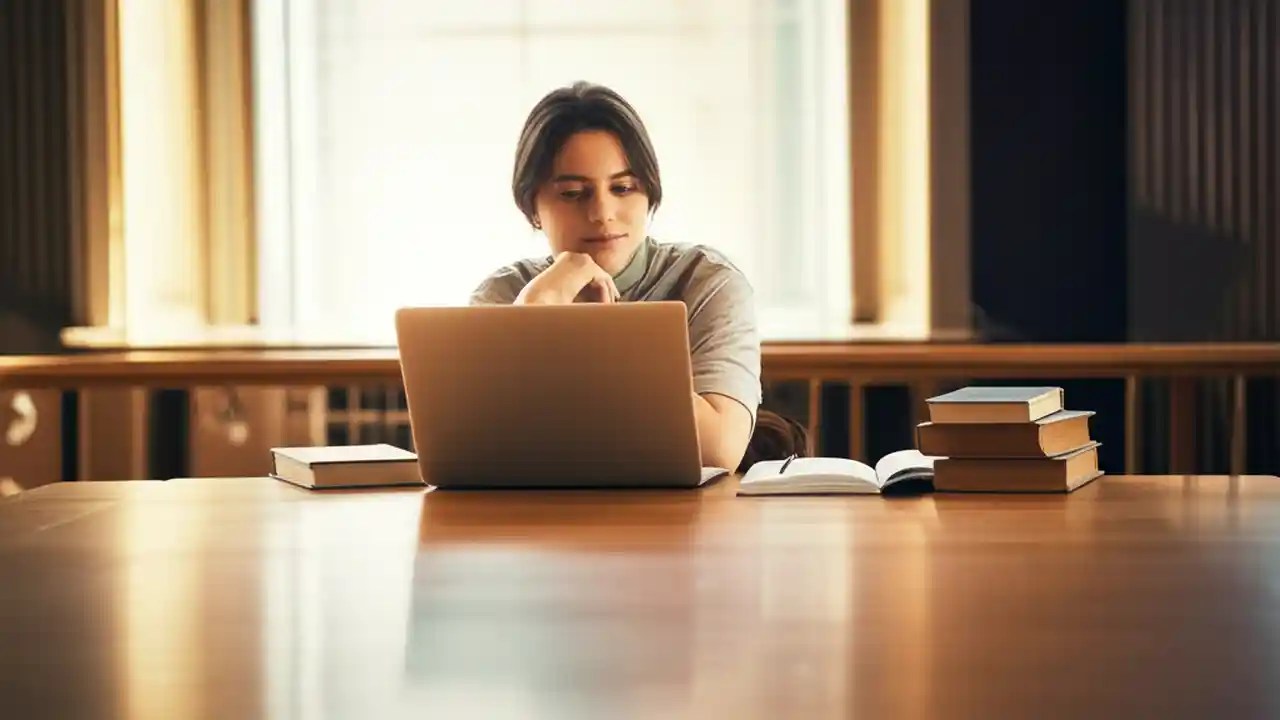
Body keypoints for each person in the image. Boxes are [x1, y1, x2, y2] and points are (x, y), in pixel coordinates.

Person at [470, 81, 808, 472]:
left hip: (685, 524)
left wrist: (602, 333)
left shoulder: (707, 283)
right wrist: (535, 309)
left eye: (623, 187)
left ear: (649, 193)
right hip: (538, 522)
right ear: (532, 207)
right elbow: (483, 450)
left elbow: (717, 451)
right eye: (574, 193)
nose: (602, 212)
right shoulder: (504, 295)